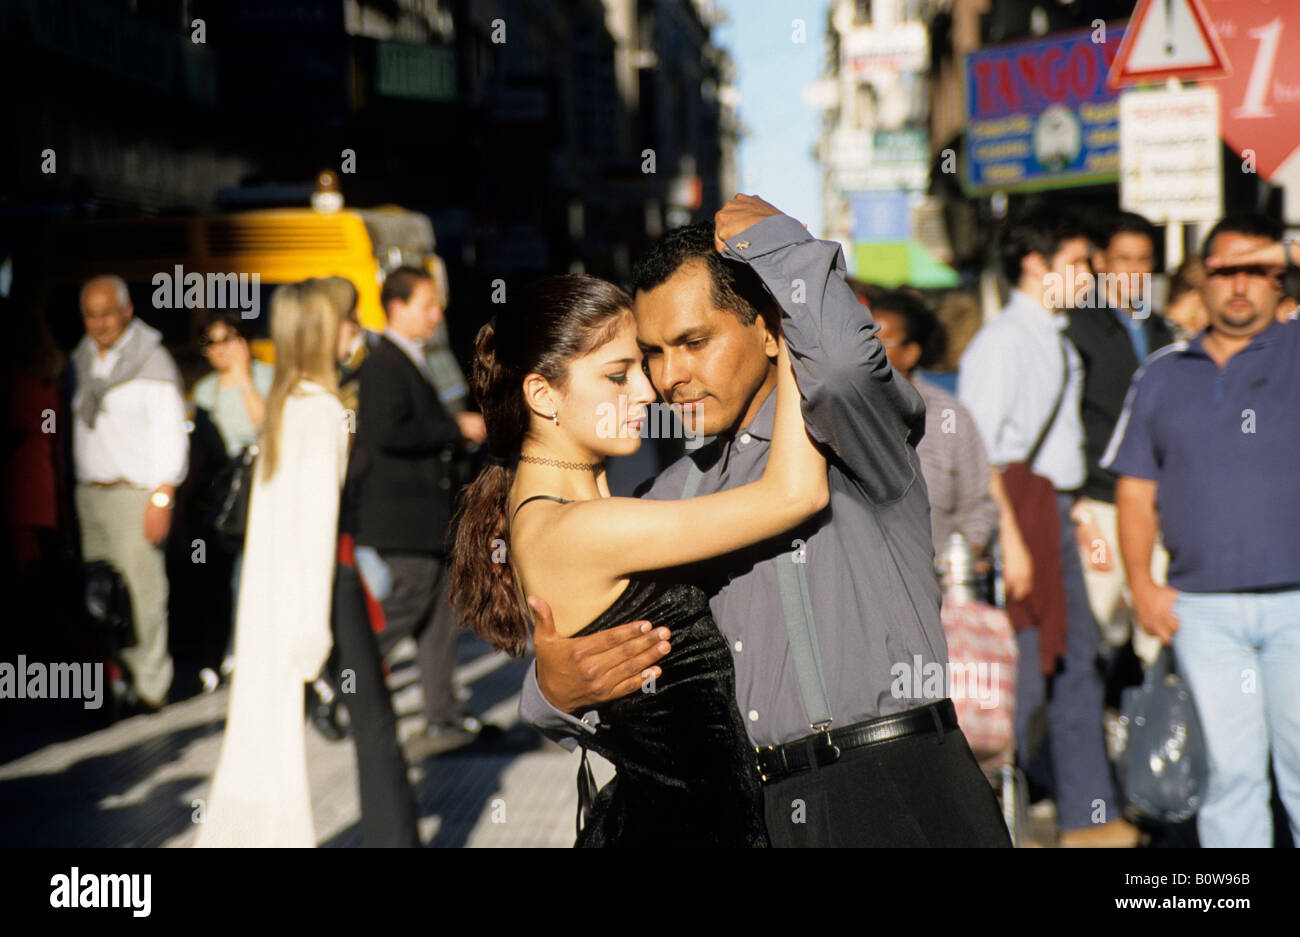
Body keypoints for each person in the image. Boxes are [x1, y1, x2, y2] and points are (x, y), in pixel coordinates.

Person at [521, 195, 1011, 848]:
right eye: (653, 353)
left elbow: (838, 364)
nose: (670, 377)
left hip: (897, 784)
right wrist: (551, 693)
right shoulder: (674, 490)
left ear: (771, 327)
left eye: (694, 342)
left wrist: (778, 243)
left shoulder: (850, 433)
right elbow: (603, 620)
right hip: (761, 813)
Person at [449, 273, 827, 846]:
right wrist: (795, 333)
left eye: (638, 368)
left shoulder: (581, 510)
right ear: (542, 395)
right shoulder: (578, 527)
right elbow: (796, 496)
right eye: (616, 376)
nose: (647, 392)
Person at [1104, 215, 1300, 848]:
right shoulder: (1161, 375)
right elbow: (1135, 490)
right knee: (1228, 780)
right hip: (1202, 612)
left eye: (1257, 270)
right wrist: (1142, 586)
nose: (1239, 285)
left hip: (1296, 605)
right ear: (1202, 280)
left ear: (1279, 279)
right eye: (1223, 271)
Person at [958, 206, 1137, 847]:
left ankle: (1089, 815)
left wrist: (1078, 513)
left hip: (1057, 506)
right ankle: (983, 820)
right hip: (1021, 509)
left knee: (1077, 660)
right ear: (1036, 264)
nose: (1089, 274)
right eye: (1078, 262)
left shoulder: (1054, 335)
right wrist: (1009, 536)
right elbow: (981, 454)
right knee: (1024, 672)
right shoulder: (1005, 341)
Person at [196, 280, 348, 848]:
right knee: (275, 741)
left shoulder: (287, 403)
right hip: (291, 600)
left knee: (256, 736)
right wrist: (314, 627)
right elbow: (315, 525)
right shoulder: (321, 409)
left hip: (264, 596)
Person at [352, 266, 480, 757]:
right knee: (409, 602)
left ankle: (442, 713)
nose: (437, 314)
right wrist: (455, 429)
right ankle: (342, 676)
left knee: (442, 614)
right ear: (397, 307)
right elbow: (389, 433)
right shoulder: (384, 362)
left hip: (429, 516)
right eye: (427, 304)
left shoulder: (415, 356)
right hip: (403, 518)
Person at [317, 275, 422, 847]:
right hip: (335, 566)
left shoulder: (336, 389)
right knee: (373, 714)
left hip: (345, 558)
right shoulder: (318, 402)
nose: (359, 328)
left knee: (375, 712)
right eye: (348, 318)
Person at [71, 275, 188, 712]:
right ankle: (113, 681)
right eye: (90, 315)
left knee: (143, 592)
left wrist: (162, 497)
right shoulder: (81, 358)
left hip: (135, 494)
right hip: (91, 495)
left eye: (107, 313)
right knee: (100, 595)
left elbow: (172, 436)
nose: (99, 323)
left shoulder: (151, 362)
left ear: (127, 311)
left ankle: (152, 687)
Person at [1064, 213, 1175, 667]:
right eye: (1123, 259)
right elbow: (1067, 424)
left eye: (1143, 260)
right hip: (1100, 502)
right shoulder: (1075, 329)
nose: (1133, 271)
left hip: (1160, 506)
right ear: (1100, 262)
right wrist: (1079, 513)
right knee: (1094, 638)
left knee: (1161, 634)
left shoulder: (1161, 331)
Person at [192, 311, 275, 689]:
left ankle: (248, 649)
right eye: (213, 342)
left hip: (262, 485)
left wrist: (243, 380)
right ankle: (224, 651)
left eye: (229, 339)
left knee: (253, 572)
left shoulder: (266, 377)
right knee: (222, 575)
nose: (221, 349)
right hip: (223, 492)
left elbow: (266, 428)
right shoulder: (205, 392)